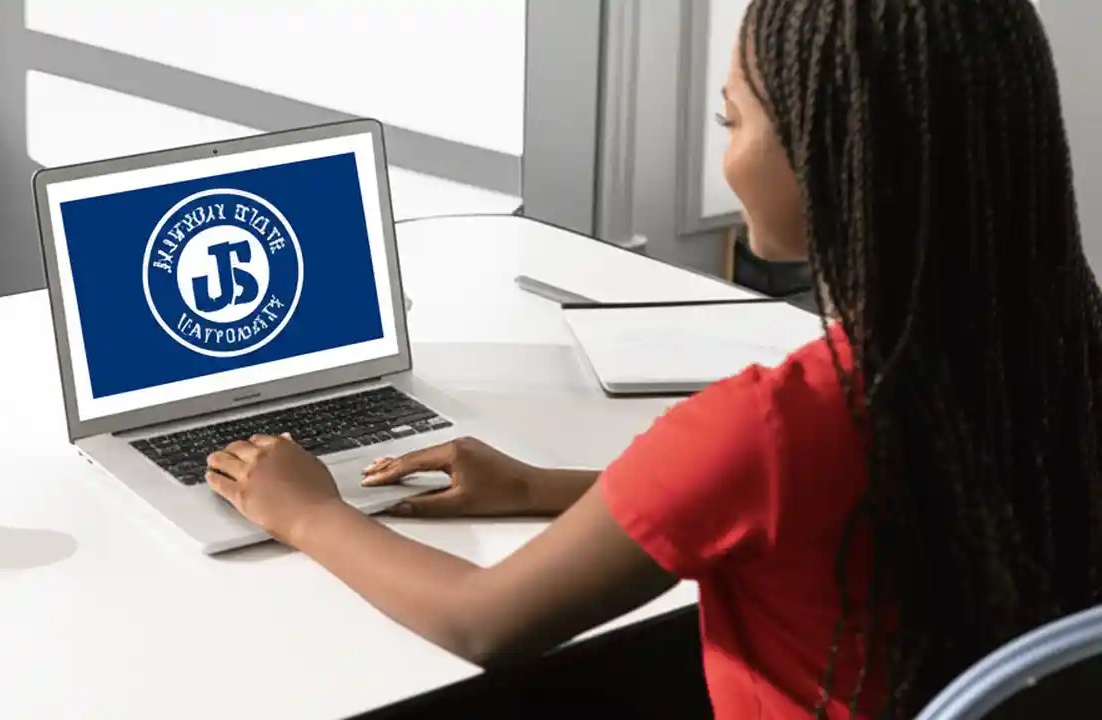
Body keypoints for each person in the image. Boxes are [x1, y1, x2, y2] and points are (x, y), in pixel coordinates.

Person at [203, 1, 1102, 717]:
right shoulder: (1051, 355)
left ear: (827, 154)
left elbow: (483, 623)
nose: (728, 157)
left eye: (732, 119)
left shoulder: (772, 425)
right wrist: (542, 486)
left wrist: (310, 513)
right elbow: (807, 503)